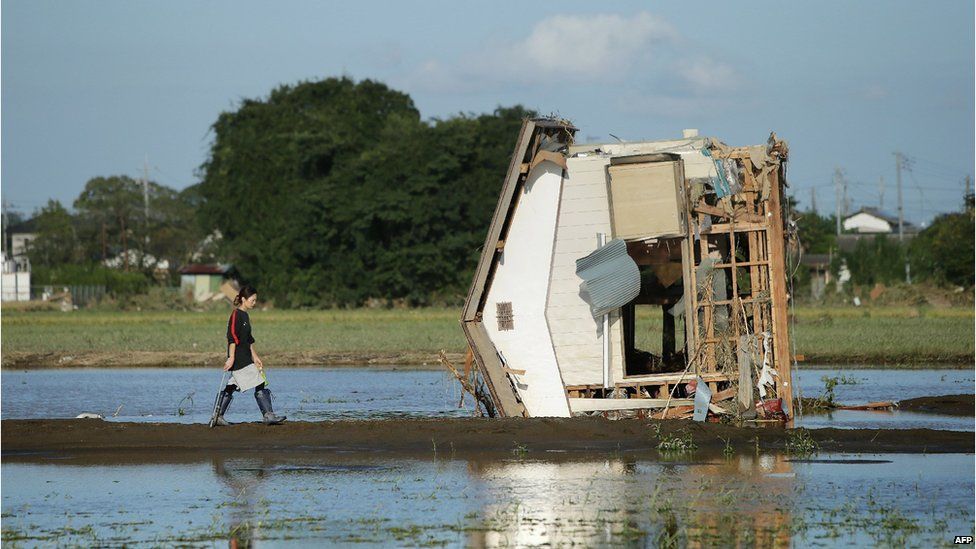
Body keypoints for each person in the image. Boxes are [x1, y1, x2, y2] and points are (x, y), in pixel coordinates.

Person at [213, 285, 286, 426]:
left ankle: (217, 416)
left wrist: (256, 357)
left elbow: (248, 340)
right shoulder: (236, 315)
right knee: (260, 382)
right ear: (243, 299)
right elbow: (232, 337)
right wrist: (231, 357)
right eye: (252, 300)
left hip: (246, 356)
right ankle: (268, 415)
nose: (254, 303)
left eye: (255, 300)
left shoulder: (245, 315)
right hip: (239, 357)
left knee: (232, 386)